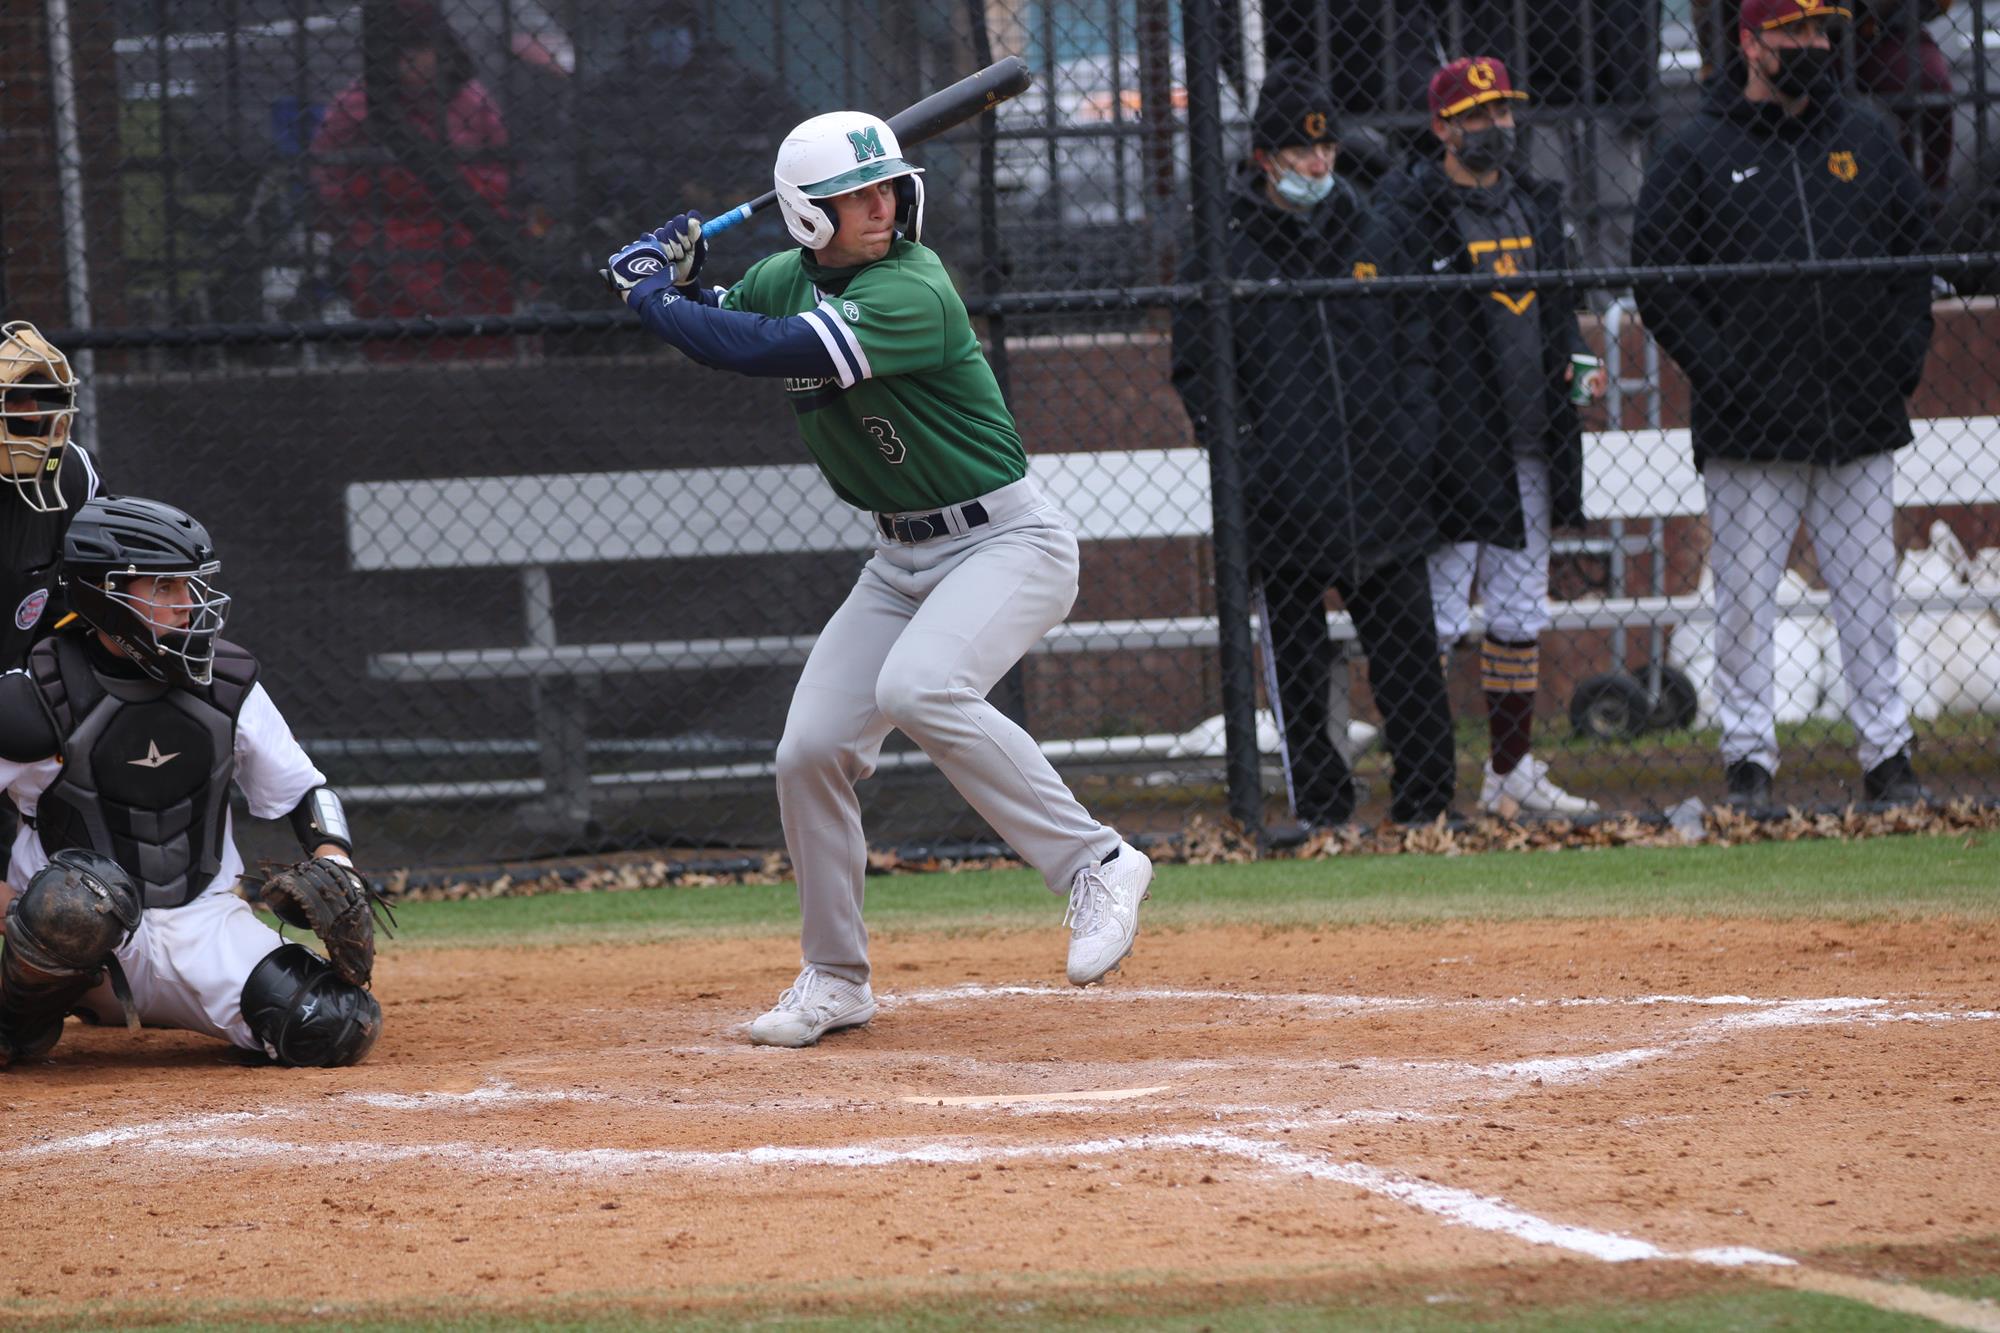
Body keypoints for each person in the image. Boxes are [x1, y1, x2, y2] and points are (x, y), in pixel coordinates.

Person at [604, 111, 1154, 1047]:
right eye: (853, 196)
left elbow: (751, 348)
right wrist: (681, 272)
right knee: (810, 749)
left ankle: (1095, 859)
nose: (880, 205)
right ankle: (835, 978)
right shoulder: (787, 276)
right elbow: (731, 313)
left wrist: (653, 296)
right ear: (805, 217)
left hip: (1005, 543)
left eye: (887, 186)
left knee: (920, 687)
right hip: (900, 559)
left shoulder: (914, 284)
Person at [1632, 0, 1936, 807]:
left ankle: (1888, 757)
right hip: (1749, 425)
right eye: (1794, 32)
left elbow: (1916, 248)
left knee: (1870, 597)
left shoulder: (1864, 135)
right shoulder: (1696, 148)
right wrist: (1721, 368)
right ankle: (1749, 764)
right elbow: (1657, 272)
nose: (1812, 47)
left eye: (1821, 33)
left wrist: (1900, 355)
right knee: (1743, 605)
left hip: (1859, 414)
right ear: (1750, 41)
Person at [1168, 62, 1455, 829]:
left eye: (1324, 149)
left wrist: (1412, 430)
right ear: (1266, 158)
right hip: (1282, 496)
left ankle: (1426, 808)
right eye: (1300, 151)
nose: (1318, 164)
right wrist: (1248, 456)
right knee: (1296, 666)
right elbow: (1196, 367)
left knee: (1408, 655)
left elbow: (1418, 338)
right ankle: (1322, 814)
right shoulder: (1224, 248)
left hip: (1382, 483)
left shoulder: (1374, 229)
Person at [0, 497, 384, 1067]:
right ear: (103, 594)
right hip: (76, 944)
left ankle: (144, 1000)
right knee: (78, 904)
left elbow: (306, 791)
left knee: (331, 1026)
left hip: (205, 921)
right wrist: (16, 912)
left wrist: (337, 860)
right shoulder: (33, 694)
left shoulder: (227, 682)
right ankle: (19, 1011)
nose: (187, 606)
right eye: (163, 588)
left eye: (191, 585)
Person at [1372, 56, 1605, 818]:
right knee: (1435, 618)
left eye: (1503, 112)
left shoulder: (1534, 204)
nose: (1495, 128)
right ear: (1442, 127)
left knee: (1518, 609)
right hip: (1451, 448)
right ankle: (1427, 786)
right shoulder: (1410, 209)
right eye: (1477, 115)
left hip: (1531, 439)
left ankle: (1510, 775)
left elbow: (1559, 308)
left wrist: (1574, 360)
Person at [309, 0, 513, 359]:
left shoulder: (470, 102)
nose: (412, 64)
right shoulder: (356, 107)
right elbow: (327, 184)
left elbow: (505, 175)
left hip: (466, 234)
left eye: (421, 50)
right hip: (388, 234)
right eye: (402, 53)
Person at [0, 321, 103, 852]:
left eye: (44, 397)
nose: (32, 415)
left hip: (22, 688)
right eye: (15, 400)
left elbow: (89, 594)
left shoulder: (74, 477)